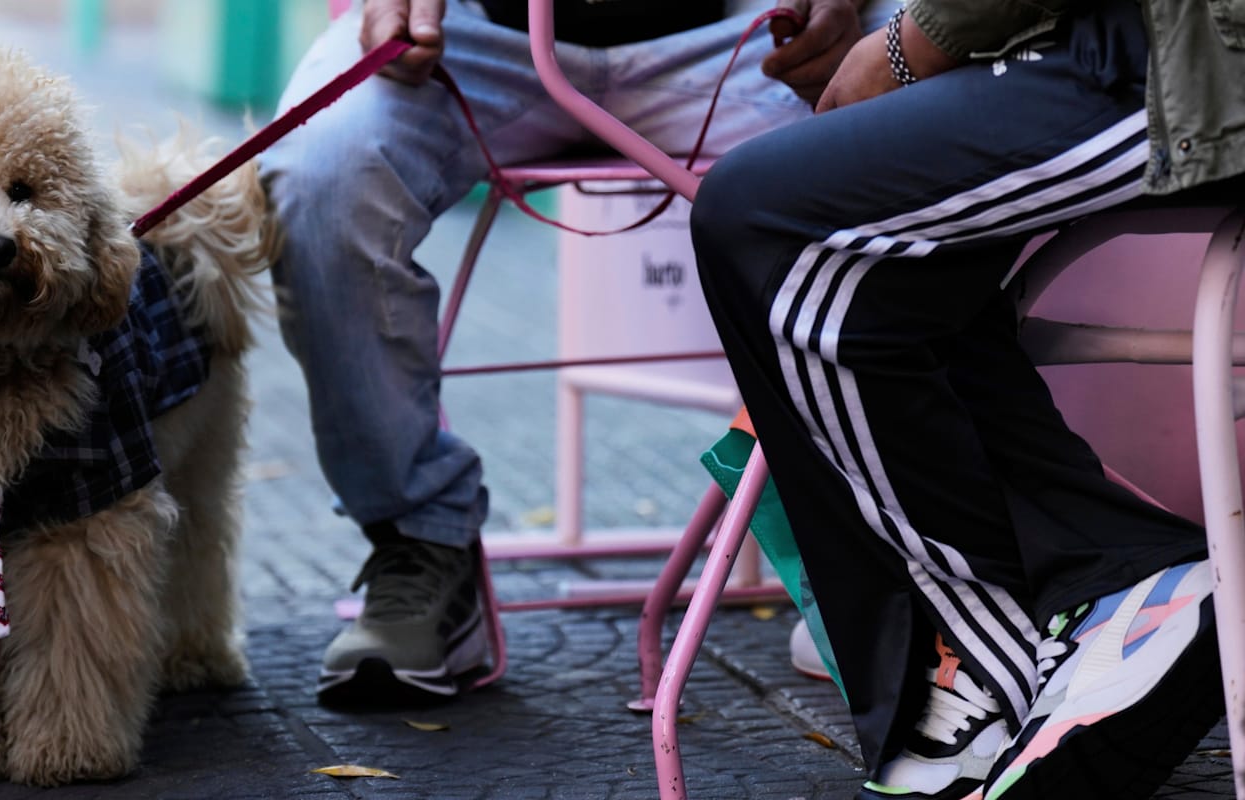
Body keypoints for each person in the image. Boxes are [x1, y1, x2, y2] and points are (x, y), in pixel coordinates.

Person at [258, 0, 891, 707]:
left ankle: (873, 548)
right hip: (478, 33)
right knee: (322, 180)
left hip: (739, 30)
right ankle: (419, 540)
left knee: (922, 116)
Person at [689, 0, 1244, 798]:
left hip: (1192, 60)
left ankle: (989, 653)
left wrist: (912, 42)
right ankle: (1115, 580)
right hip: (1129, 41)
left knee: (770, 220)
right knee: (863, 250)